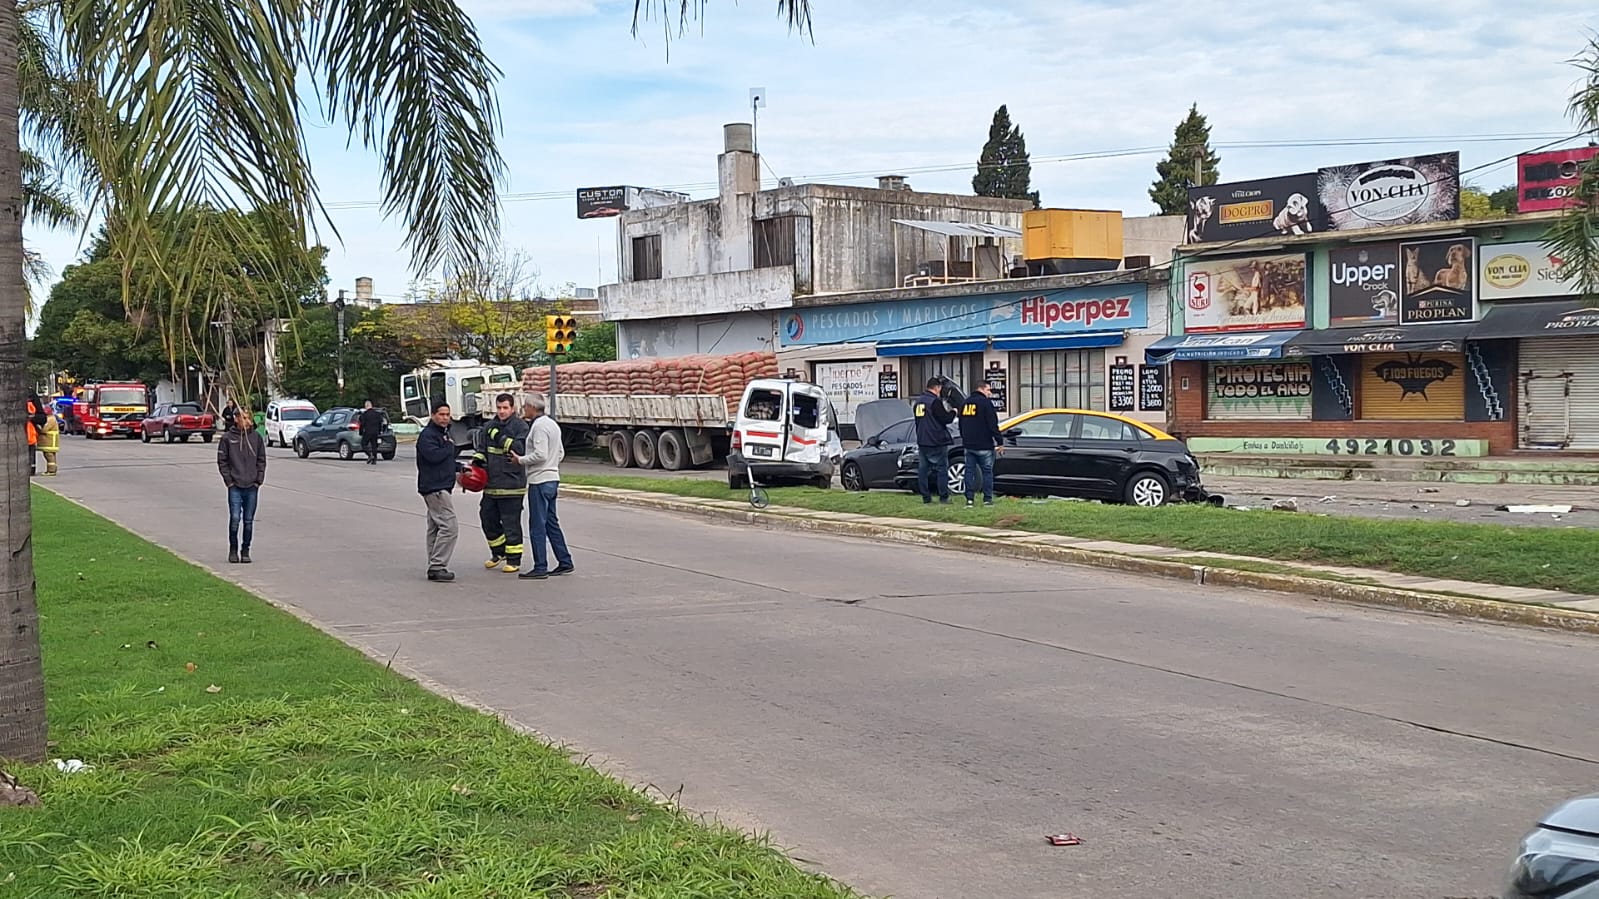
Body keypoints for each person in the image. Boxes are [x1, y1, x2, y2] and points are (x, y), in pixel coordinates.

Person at [511, 396, 574, 580]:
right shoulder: (552, 424)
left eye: (525, 406)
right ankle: (565, 560)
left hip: (539, 480)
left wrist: (520, 460)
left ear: (532, 407)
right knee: (551, 522)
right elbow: (560, 452)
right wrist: (552, 464)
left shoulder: (538, 427)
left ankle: (540, 566)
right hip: (553, 478)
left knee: (537, 524)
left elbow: (540, 454)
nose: (523, 409)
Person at [471, 393, 528, 573]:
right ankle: (498, 552)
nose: (502, 411)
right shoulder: (488, 426)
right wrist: (476, 465)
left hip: (512, 484)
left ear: (513, 408)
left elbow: (519, 449)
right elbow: (482, 450)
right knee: (487, 519)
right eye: (499, 408)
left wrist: (499, 436)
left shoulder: (521, 427)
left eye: (505, 408)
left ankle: (514, 559)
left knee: (511, 523)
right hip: (491, 484)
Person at [416, 399, 463, 582]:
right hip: (435, 487)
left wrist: (459, 467)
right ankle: (437, 565)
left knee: (436, 527)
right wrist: (450, 448)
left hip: (442, 485)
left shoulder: (443, 434)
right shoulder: (428, 436)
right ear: (433, 415)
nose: (445, 418)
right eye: (441, 414)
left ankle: (434, 565)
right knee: (450, 527)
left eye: (447, 415)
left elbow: (445, 460)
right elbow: (434, 457)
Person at [217, 408, 267, 564]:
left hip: (251, 485)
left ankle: (245, 550)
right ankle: (233, 549)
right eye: (244, 418)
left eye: (249, 418)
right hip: (235, 486)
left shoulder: (256, 438)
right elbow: (222, 461)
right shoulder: (227, 438)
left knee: (248, 520)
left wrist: (258, 479)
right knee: (235, 519)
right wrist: (229, 481)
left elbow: (261, 460)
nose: (248, 421)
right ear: (236, 418)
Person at [958, 381, 1004, 508]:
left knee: (969, 472)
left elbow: (961, 424)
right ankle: (987, 499)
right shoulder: (985, 403)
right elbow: (992, 425)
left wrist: (964, 438)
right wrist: (999, 441)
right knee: (987, 472)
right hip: (984, 445)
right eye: (988, 390)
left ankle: (969, 500)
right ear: (982, 389)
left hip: (969, 444)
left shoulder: (965, 403)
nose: (990, 393)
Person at [911, 377, 956, 505]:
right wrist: (953, 412)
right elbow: (945, 418)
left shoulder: (918, 402)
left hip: (922, 440)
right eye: (940, 389)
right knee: (942, 469)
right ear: (936, 388)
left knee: (923, 470)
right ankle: (943, 497)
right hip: (936, 440)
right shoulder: (934, 402)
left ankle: (926, 498)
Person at [358, 400, 385, 465]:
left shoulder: (364, 415)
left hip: (367, 432)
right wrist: (380, 431)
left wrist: (361, 432)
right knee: (374, 445)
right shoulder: (377, 414)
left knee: (363, 444)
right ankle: (374, 460)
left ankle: (370, 455)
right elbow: (380, 423)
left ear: (366, 406)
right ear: (371, 405)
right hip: (375, 432)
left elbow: (362, 424)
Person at [25, 392, 46, 476]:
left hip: (30, 438)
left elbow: (42, 418)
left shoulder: (31, 395)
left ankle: (31, 468)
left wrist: (32, 417)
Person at [38, 409, 60, 477]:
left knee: (49, 455)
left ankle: (51, 470)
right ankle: (52, 469)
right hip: (50, 441)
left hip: (49, 441)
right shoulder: (51, 418)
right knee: (50, 455)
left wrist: (38, 427)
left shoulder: (50, 419)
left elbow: (44, 430)